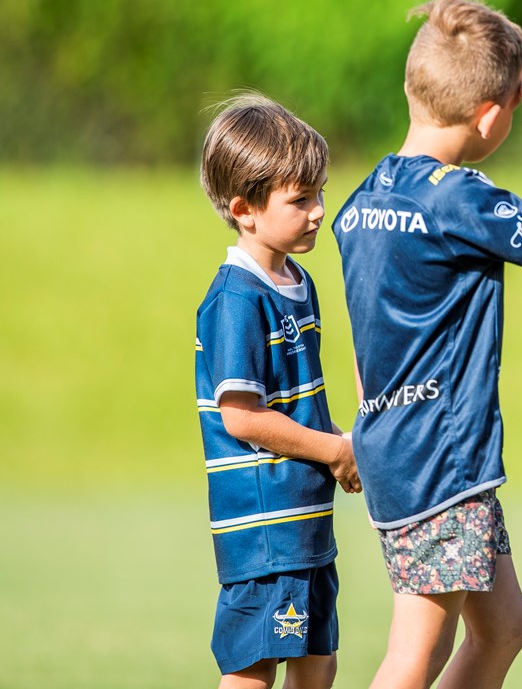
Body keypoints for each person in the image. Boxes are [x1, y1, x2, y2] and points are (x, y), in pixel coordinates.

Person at [332, 0, 522, 689]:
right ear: (488, 116)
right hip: (438, 460)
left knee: (504, 628)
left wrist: (368, 426)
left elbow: (366, 333)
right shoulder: (457, 198)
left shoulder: (365, 200)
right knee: (414, 653)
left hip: (398, 444)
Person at [195, 93, 361, 688]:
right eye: (300, 199)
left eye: (320, 193)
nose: (318, 212)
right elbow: (242, 417)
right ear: (244, 209)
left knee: (319, 663)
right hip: (265, 531)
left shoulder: (297, 281)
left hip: (306, 525)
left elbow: (298, 402)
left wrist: (343, 444)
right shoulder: (237, 299)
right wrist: (333, 450)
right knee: (254, 670)